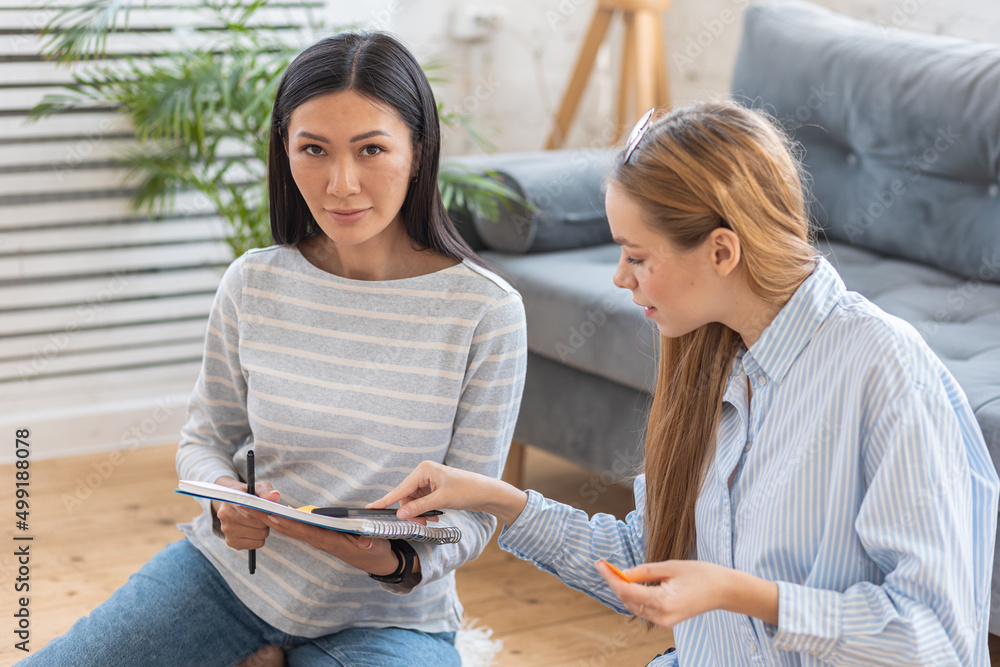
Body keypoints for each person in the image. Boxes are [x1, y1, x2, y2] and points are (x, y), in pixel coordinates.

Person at [369, 101, 1000, 666]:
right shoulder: (717, 361)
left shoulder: (882, 370)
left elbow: (931, 639)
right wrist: (498, 498)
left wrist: (740, 594)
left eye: (637, 256)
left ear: (722, 252)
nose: (620, 277)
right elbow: (649, 558)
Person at [18, 31, 526, 667]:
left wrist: (390, 559)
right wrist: (225, 500)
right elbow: (204, 443)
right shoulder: (253, 283)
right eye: (313, 149)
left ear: (419, 152)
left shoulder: (486, 313)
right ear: (285, 152)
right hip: (230, 580)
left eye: (371, 149)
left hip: (390, 616)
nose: (341, 183)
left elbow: (473, 517)